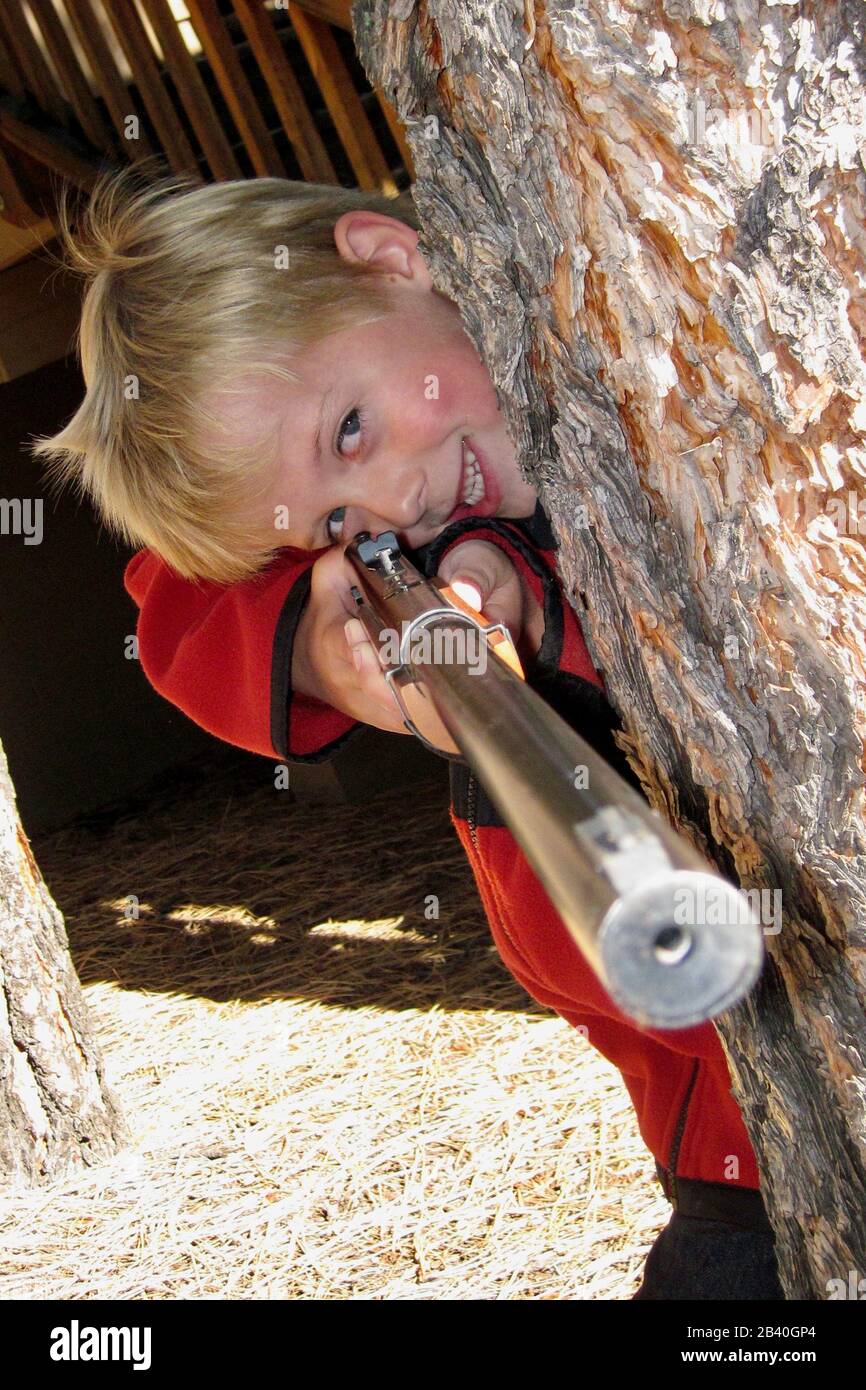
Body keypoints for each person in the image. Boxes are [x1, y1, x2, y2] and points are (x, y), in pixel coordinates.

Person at [32, 165, 783, 1299]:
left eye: (350, 428)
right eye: (332, 520)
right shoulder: (419, 522)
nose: (393, 507)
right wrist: (313, 640)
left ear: (392, 259)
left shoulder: (617, 321)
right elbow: (172, 599)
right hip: (731, 1146)